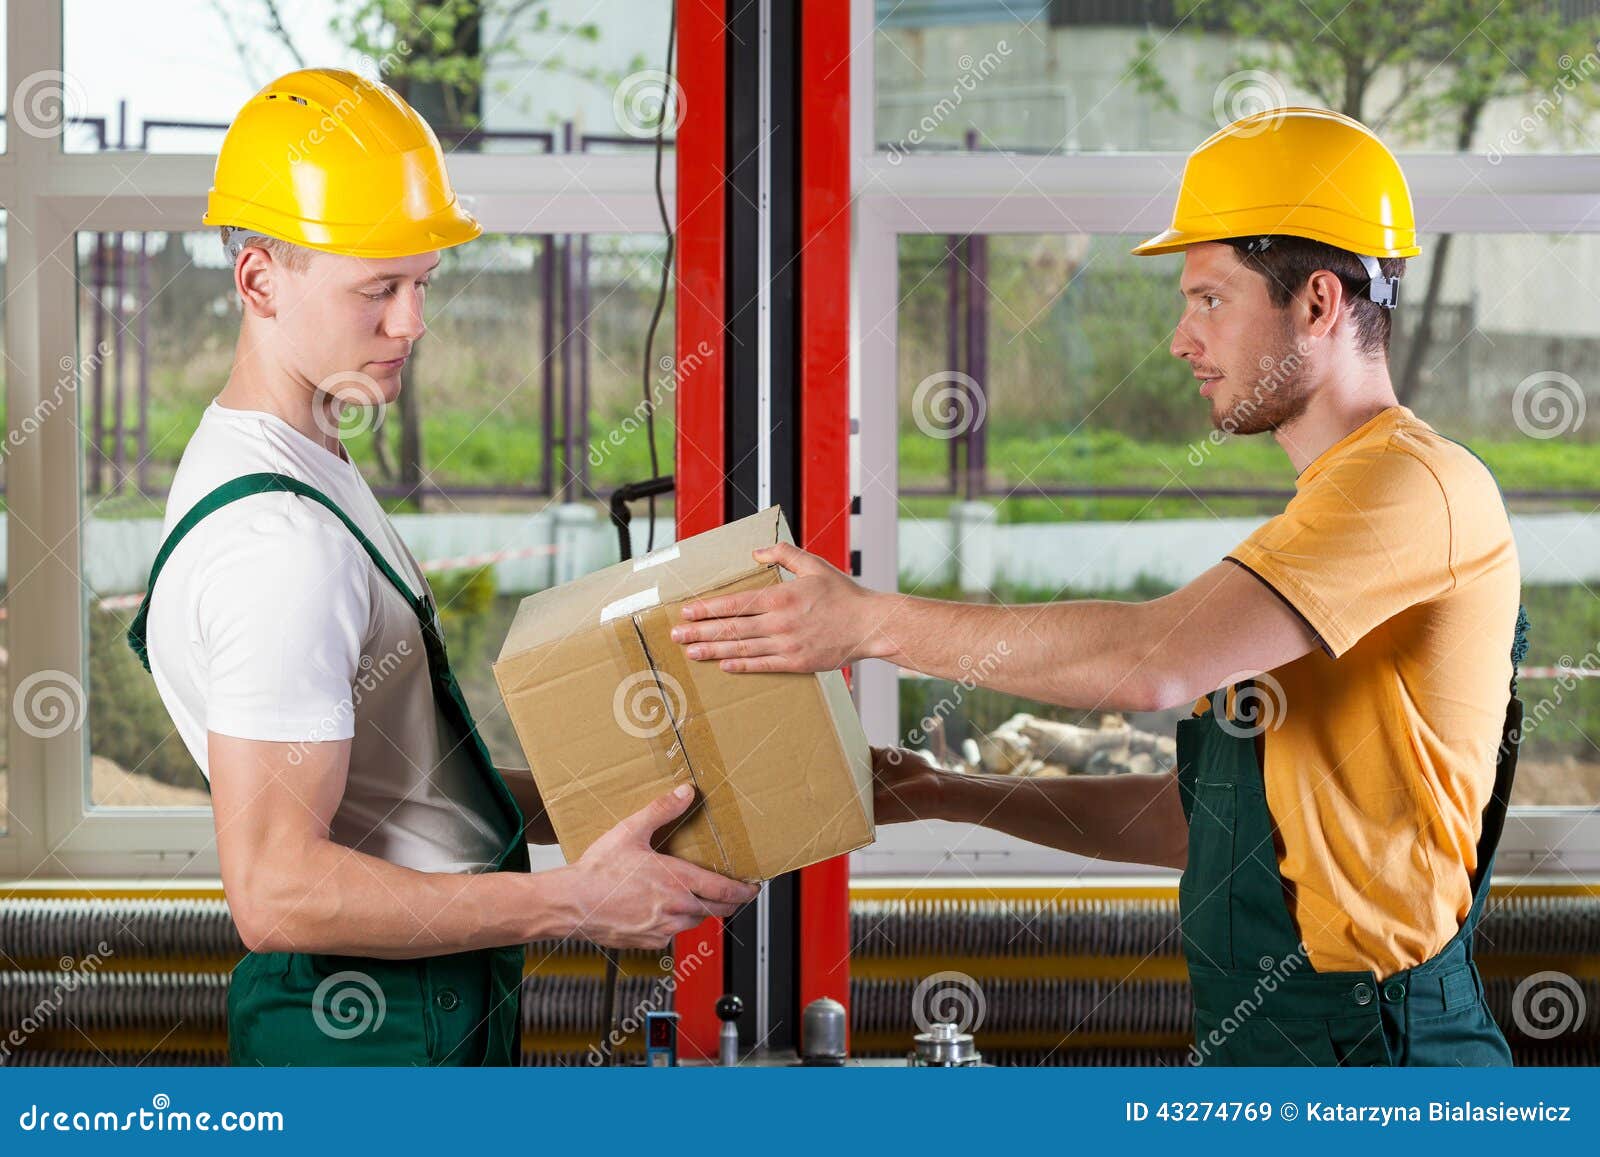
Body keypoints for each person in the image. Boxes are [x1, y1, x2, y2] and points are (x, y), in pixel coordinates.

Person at [671, 107, 1527, 1067]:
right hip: (1284, 1045)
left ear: (1318, 302)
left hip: (1384, 1056)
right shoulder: (1322, 523)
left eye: (1208, 299)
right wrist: (950, 792)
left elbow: (1148, 660)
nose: (1180, 338)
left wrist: (866, 623)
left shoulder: (1411, 488)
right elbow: (1214, 829)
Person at [127, 68, 755, 1067]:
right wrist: (574, 902)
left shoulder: (305, 459)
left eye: (422, 282)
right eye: (378, 288)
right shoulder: (275, 546)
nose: (412, 322)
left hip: (429, 993)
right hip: (365, 1028)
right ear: (258, 281)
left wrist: (650, 790)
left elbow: (401, 790)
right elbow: (276, 888)